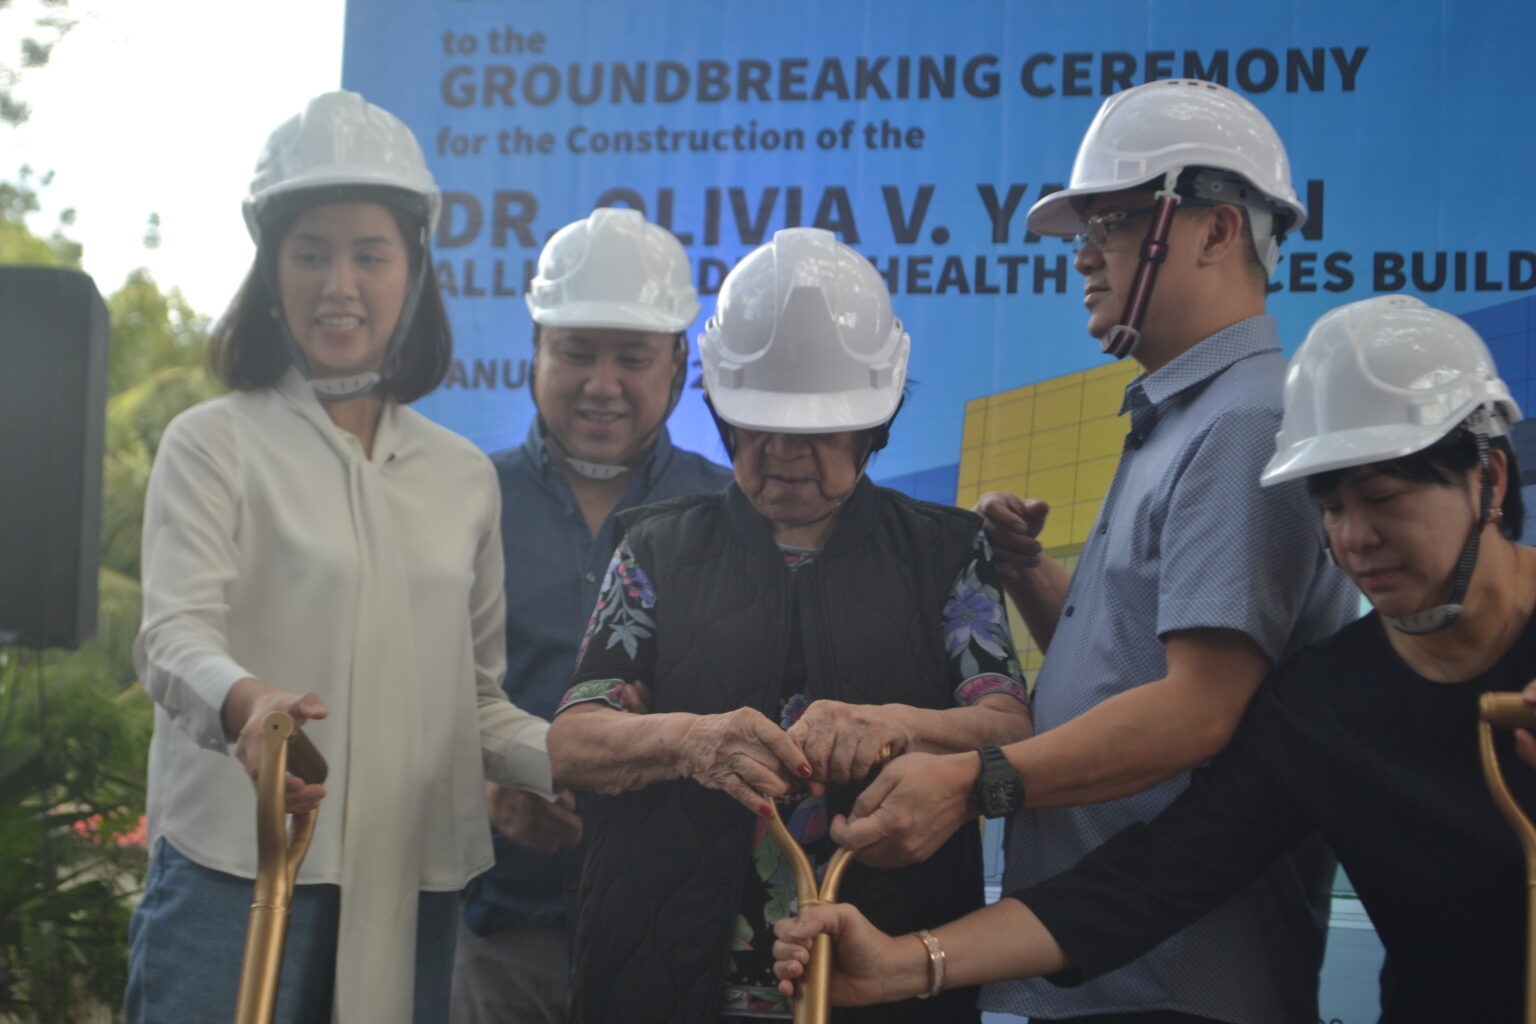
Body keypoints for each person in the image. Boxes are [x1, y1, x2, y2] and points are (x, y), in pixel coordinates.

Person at [772, 295, 1535, 1024]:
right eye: (1331, 507)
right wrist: (904, 962)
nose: (1353, 540)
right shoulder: (1324, 706)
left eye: (1385, 499)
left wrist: (974, 782)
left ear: (1491, 477)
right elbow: (1148, 881)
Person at [824, 79, 1360, 1024]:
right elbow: (1138, 663)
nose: (1082, 258)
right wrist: (1030, 570)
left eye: (1109, 225)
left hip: (1175, 974)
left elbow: (1199, 711)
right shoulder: (1185, 415)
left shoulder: (1245, 420)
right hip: (1119, 962)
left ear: (1217, 230)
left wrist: (972, 778)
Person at [126, 91, 556, 1024]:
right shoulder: (213, 444)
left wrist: (579, 761)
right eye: (311, 253)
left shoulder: (460, 477)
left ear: (414, 272)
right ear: (272, 269)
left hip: (410, 881)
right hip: (233, 874)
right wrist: (251, 704)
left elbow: (475, 705)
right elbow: (170, 639)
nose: (340, 284)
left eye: (371, 255)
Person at [543, 226, 1035, 1024]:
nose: (782, 456)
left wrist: (895, 726)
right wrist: (689, 743)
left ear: (876, 420)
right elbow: (574, 738)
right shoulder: (656, 547)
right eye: (756, 427)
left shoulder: (946, 553)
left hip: (885, 979)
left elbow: (1009, 727)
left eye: (818, 433)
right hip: (658, 978)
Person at [450, 208, 733, 1024]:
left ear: (680, 364)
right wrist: (489, 785)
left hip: (675, 940)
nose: (602, 383)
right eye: (576, 352)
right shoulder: (461, 499)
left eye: (633, 357)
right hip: (497, 934)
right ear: (535, 350)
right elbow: (405, 695)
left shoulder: (728, 513)